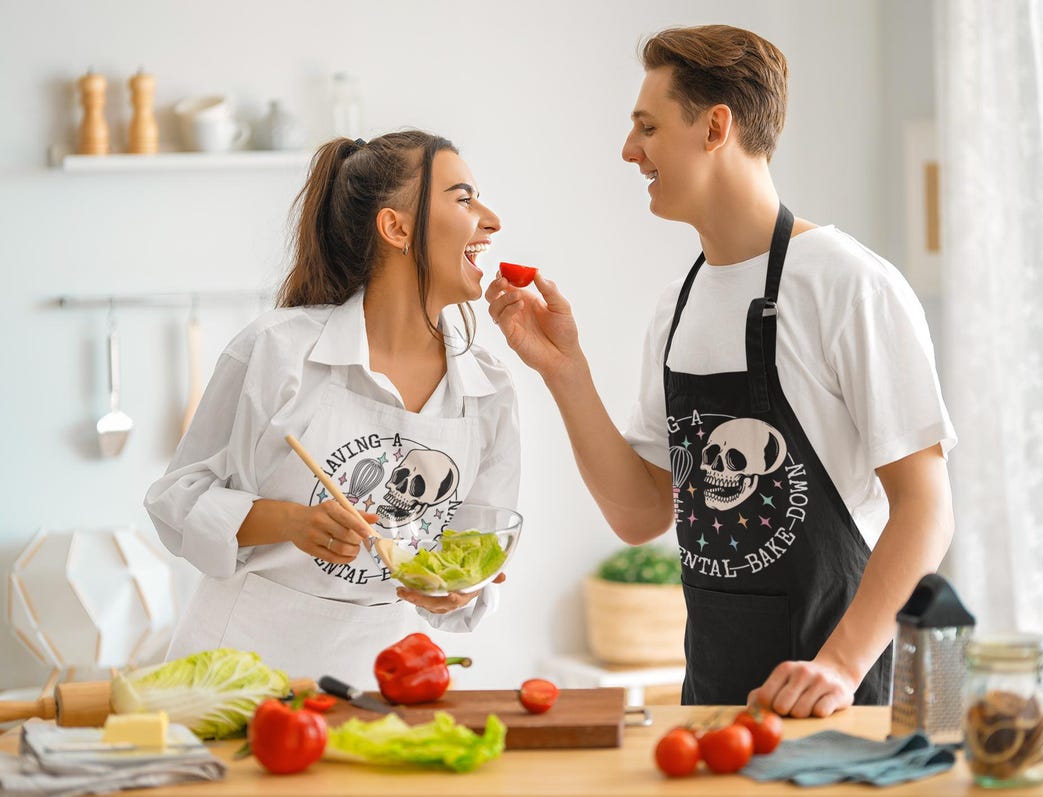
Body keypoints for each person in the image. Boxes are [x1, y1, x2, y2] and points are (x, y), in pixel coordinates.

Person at [486, 25, 955, 717]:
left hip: (837, 701)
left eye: (646, 126)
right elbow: (643, 511)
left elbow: (926, 507)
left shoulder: (849, 286)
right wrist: (564, 369)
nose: (628, 150)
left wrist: (838, 667)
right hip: (709, 700)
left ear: (714, 127)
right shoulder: (680, 303)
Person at [146, 131, 518, 687]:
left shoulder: (488, 391)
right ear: (396, 227)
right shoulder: (279, 350)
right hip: (232, 673)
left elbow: (475, 549)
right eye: (463, 199)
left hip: (379, 681)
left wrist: (455, 588)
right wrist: (293, 522)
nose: (490, 220)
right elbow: (174, 502)